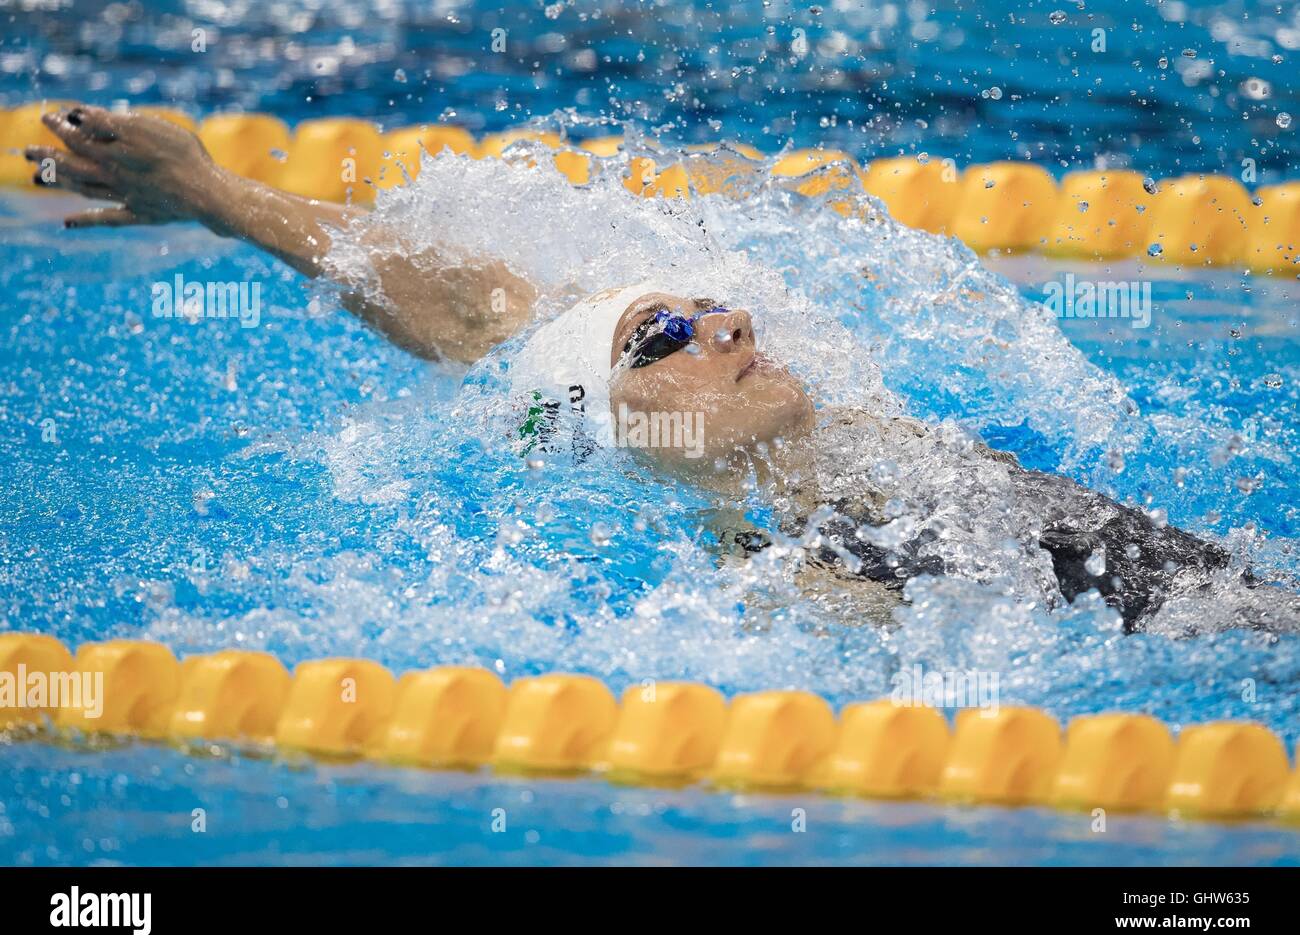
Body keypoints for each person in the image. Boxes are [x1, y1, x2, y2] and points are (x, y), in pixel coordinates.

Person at [27, 105, 1293, 635]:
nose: (728, 328)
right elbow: (485, 329)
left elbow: (472, 312)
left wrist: (216, 191)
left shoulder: (873, 443)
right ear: (615, 426)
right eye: (664, 339)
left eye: (713, 310)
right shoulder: (800, 588)